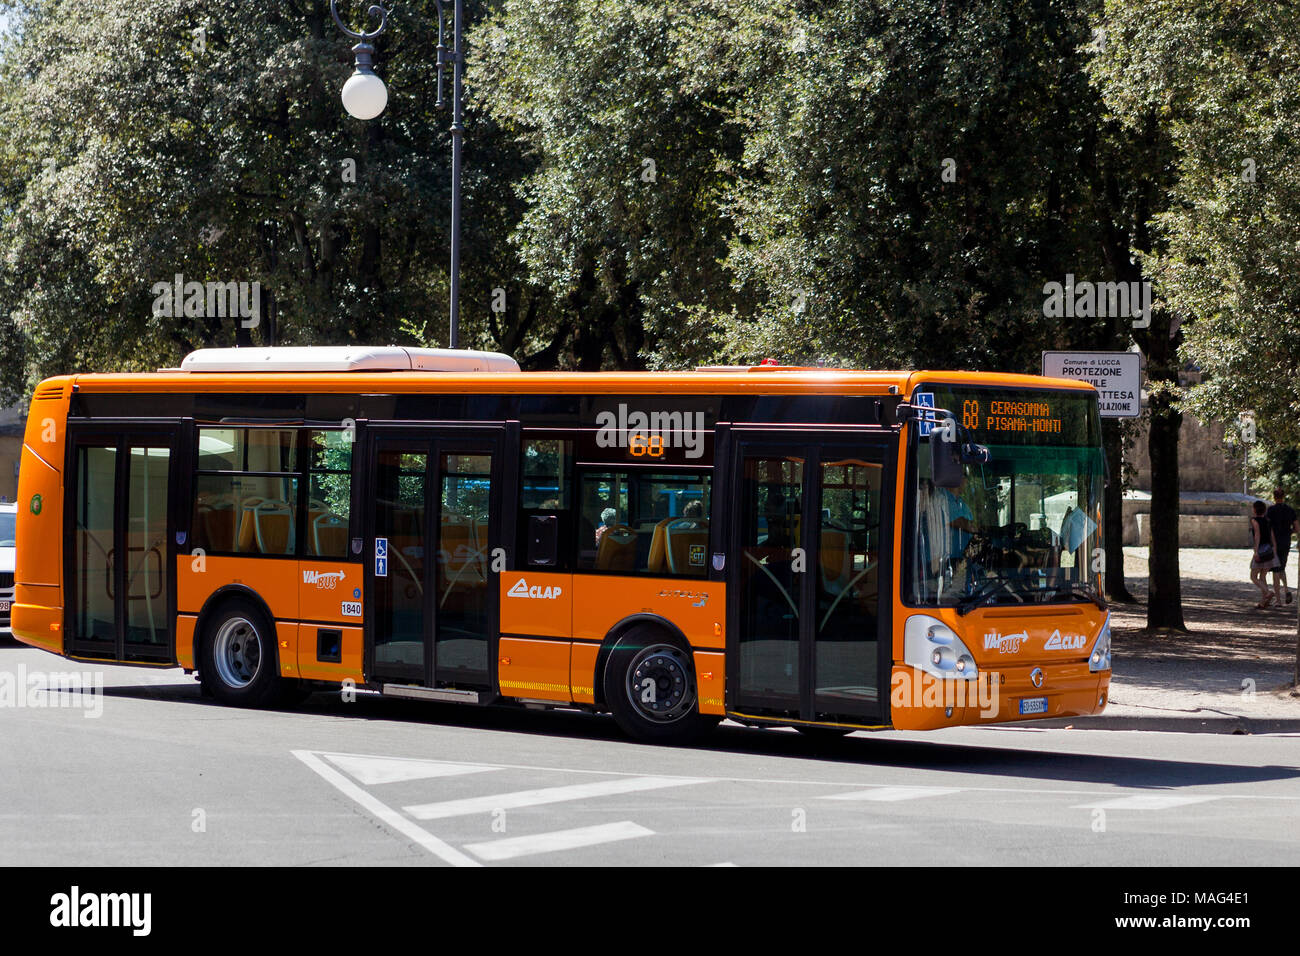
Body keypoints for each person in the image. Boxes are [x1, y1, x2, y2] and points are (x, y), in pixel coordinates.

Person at [1266, 488, 1299, 605]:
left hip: (1274, 543)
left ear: (1274, 497)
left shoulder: (1270, 510)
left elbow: (1267, 528)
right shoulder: (1290, 510)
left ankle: (1279, 600)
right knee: (1282, 568)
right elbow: (1297, 528)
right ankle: (1286, 589)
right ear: (1283, 496)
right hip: (1286, 542)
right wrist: (1289, 532)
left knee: (1275, 570)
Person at [1250, 499, 1279, 609]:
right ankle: (1263, 602)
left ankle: (1267, 592)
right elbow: (1272, 536)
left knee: (1253, 576)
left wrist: (1256, 551)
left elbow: (1257, 535)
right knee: (1263, 576)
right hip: (1269, 550)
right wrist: (1274, 549)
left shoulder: (1254, 520)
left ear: (1255, 509)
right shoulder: (1268, 520)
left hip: (1261, 550)